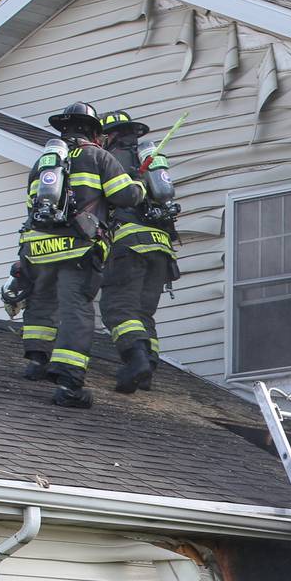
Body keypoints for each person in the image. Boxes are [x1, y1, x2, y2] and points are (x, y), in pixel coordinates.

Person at [19, 101, 145, 408]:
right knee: (76, 308)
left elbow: (31, 208)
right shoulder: (97, 156)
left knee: (42, 301)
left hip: (38, 247)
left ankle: (36, 361)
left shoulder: (43, 163)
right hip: (78, 246)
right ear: (94, 133)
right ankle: (69, 383)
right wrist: (140, 185)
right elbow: (124, 196)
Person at [98, 109, 179, 392]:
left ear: (109, 135)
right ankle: (147, 366)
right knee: (143, 312)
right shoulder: (150, 160)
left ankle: (136, 362)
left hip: (129, 244)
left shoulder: (109, 160)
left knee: (118, 308)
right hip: (161, 249)